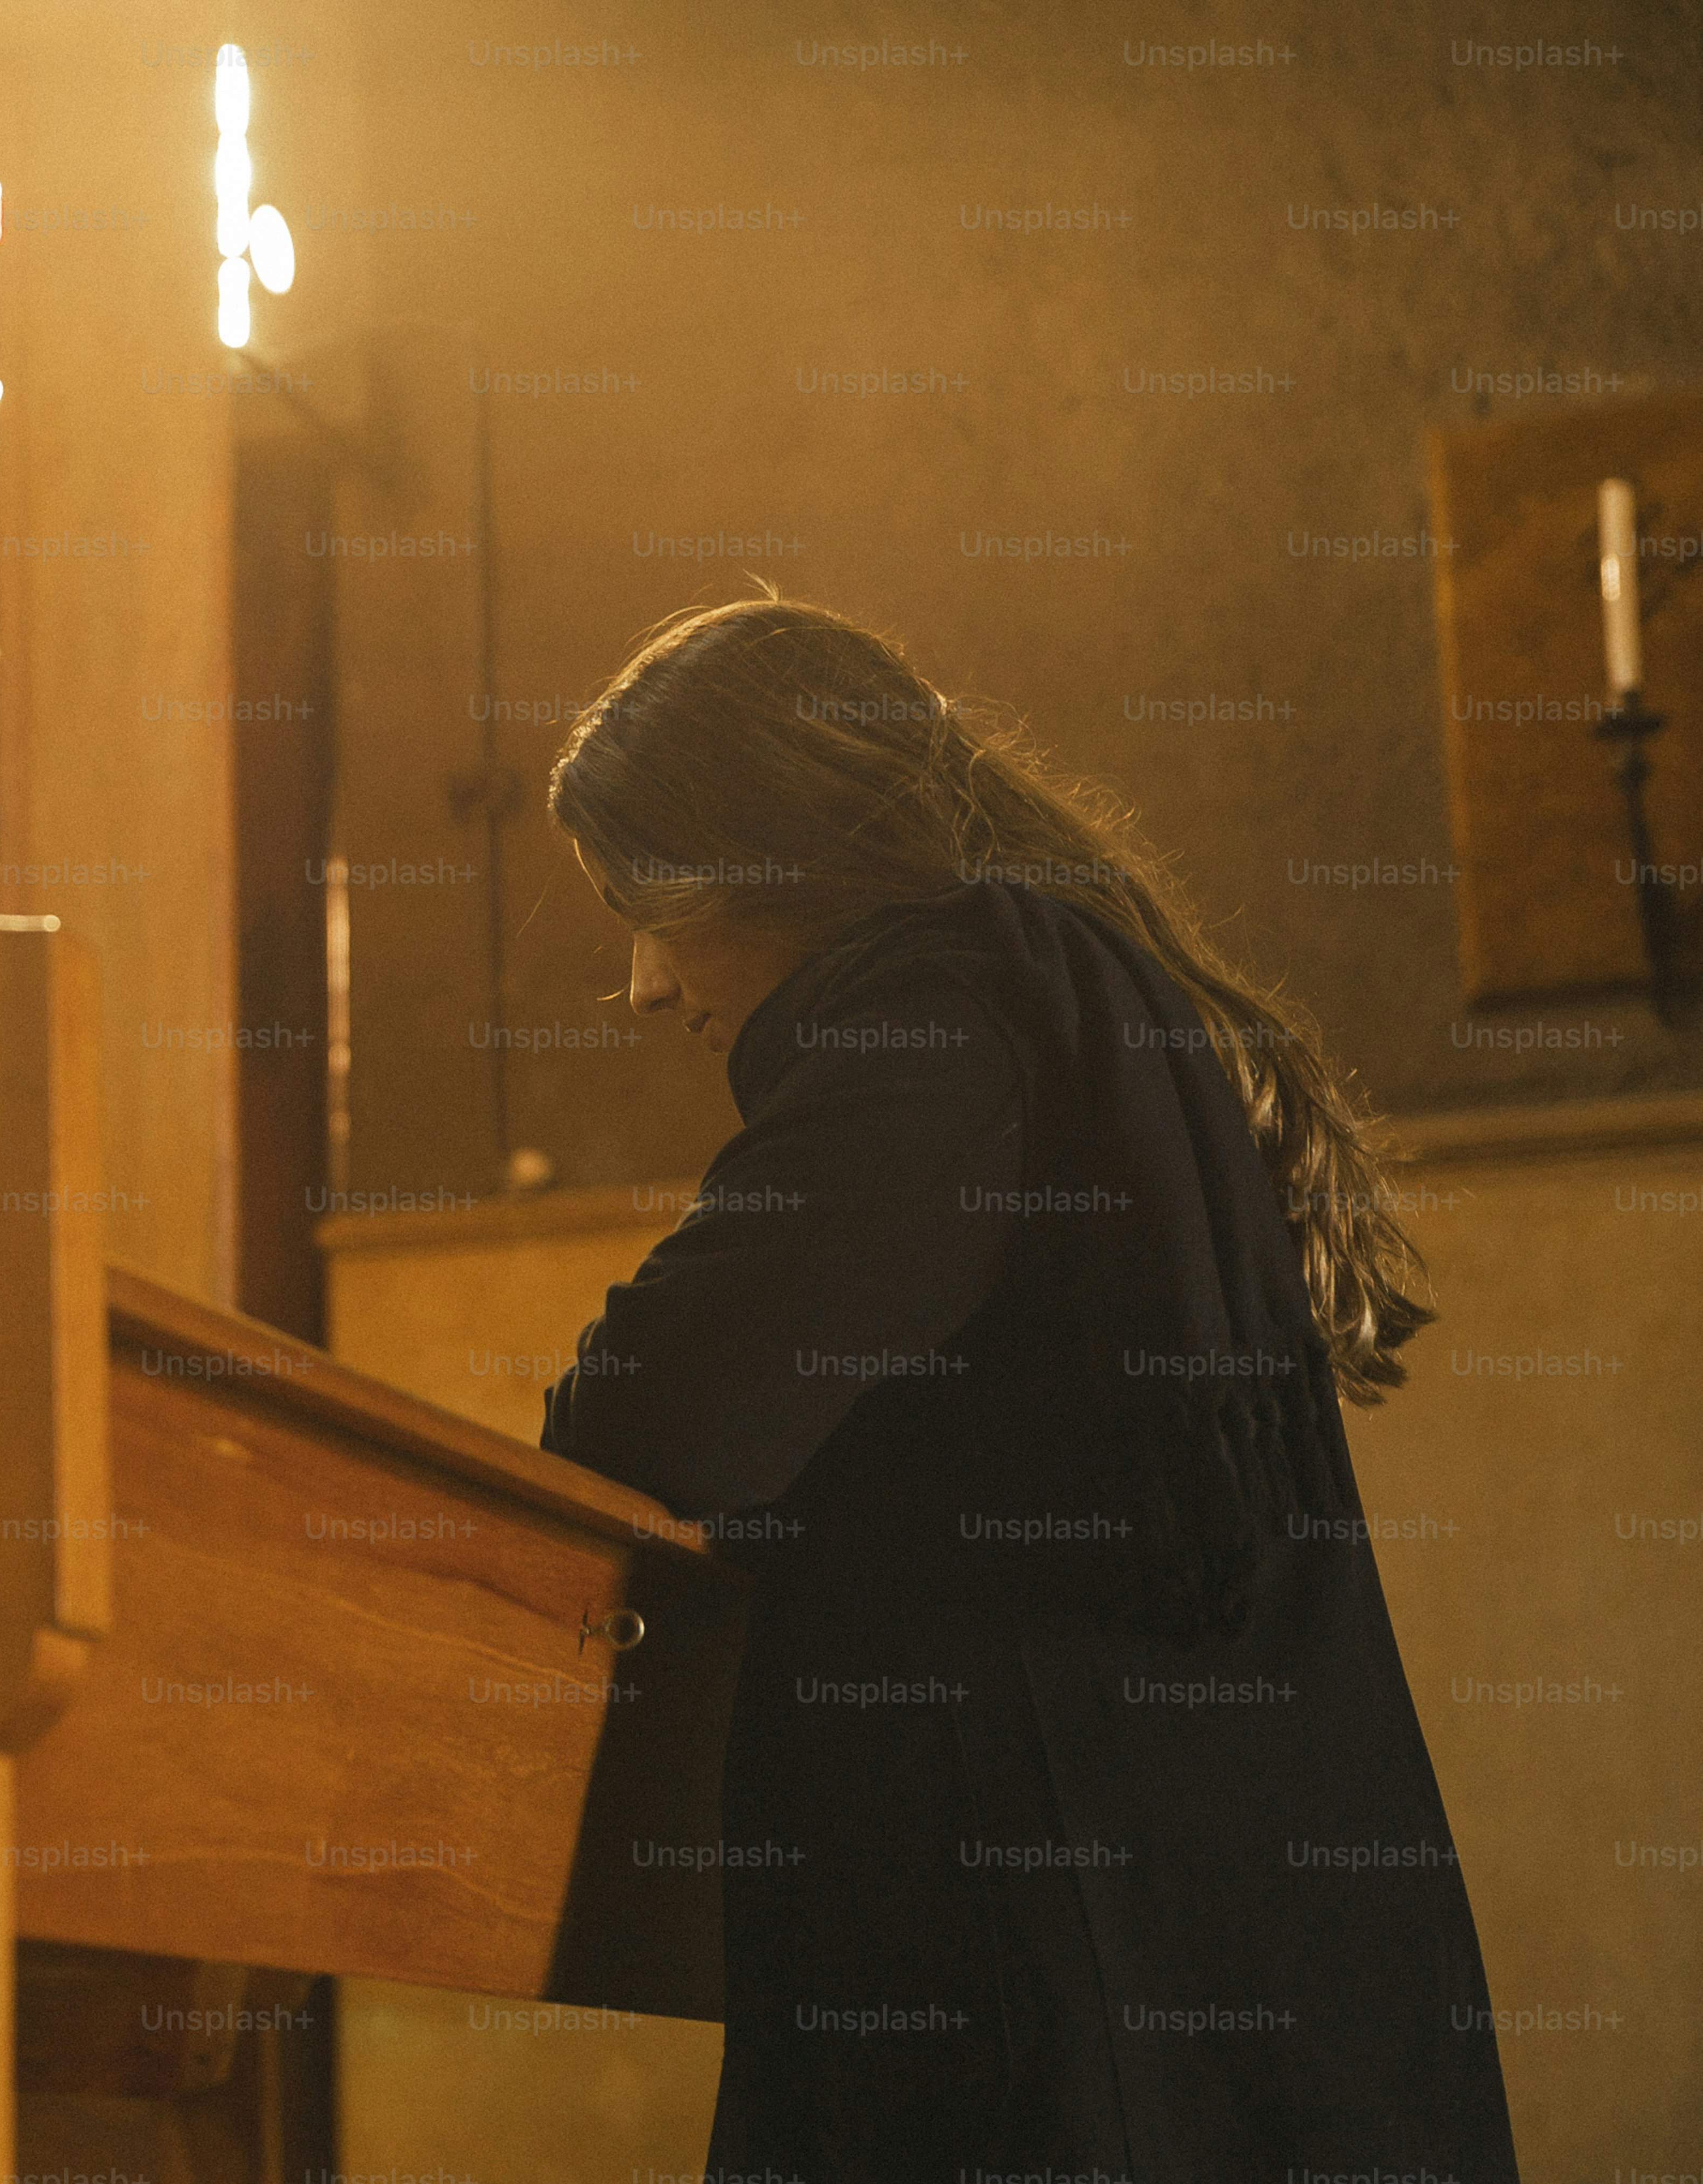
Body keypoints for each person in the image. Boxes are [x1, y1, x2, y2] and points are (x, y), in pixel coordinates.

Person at [535, 595, 1521, 2182]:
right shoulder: (1083, 1006)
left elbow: (651, 1419)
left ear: (772, 853)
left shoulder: (942, 1021)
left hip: (1040, 2003)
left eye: (648, 900)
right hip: (1243, 1965)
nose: (644, 984)